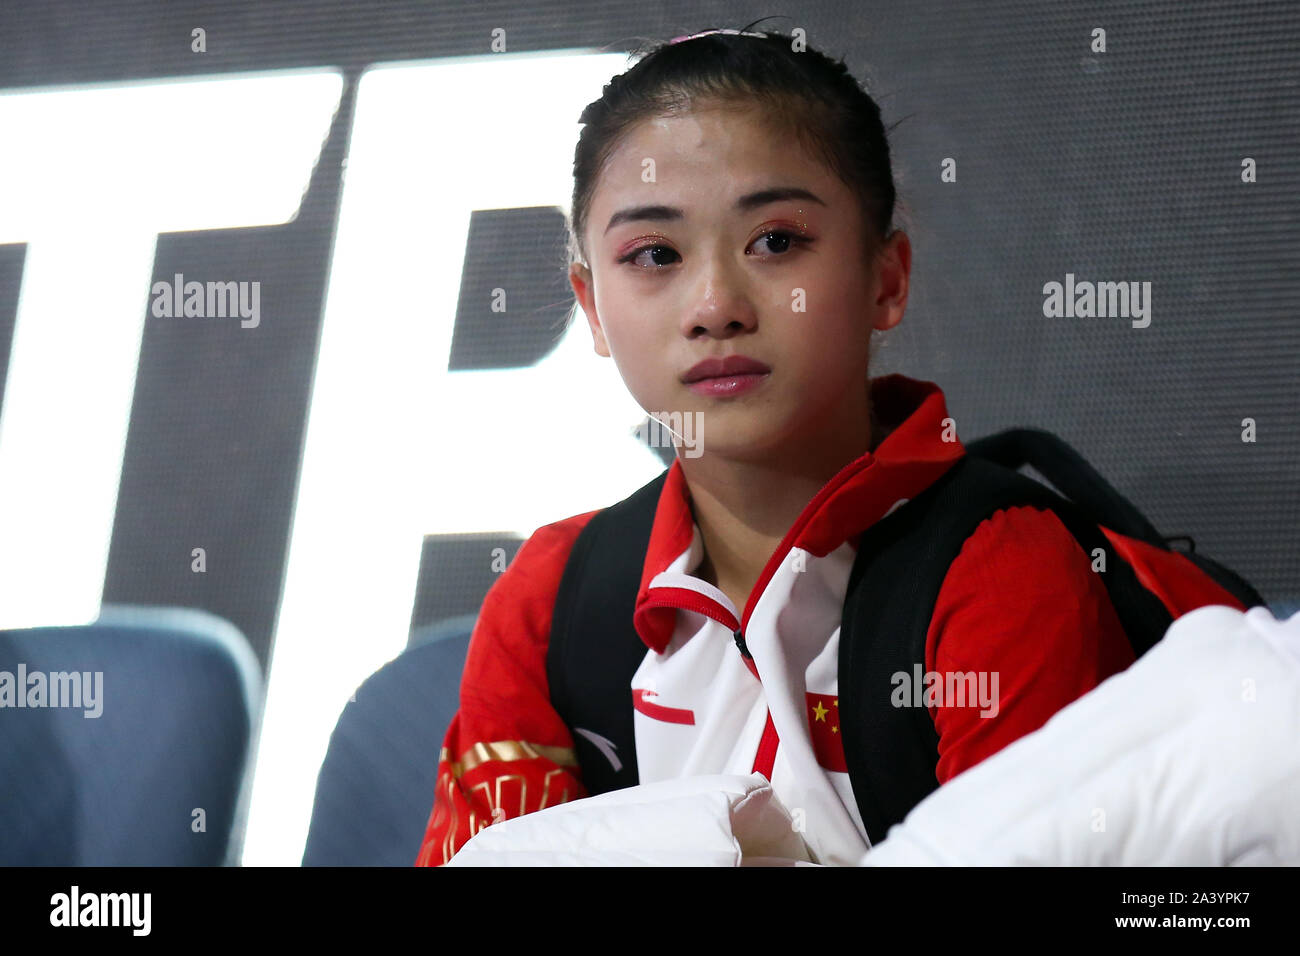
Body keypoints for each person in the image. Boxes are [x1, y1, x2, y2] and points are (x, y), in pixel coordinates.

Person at [415, 24, 1242, 867]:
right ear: (591, 307)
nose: (714, 305)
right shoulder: (546, 600)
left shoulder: (1002, 573)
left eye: (776, 241)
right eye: (653, 253)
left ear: (886, 278)